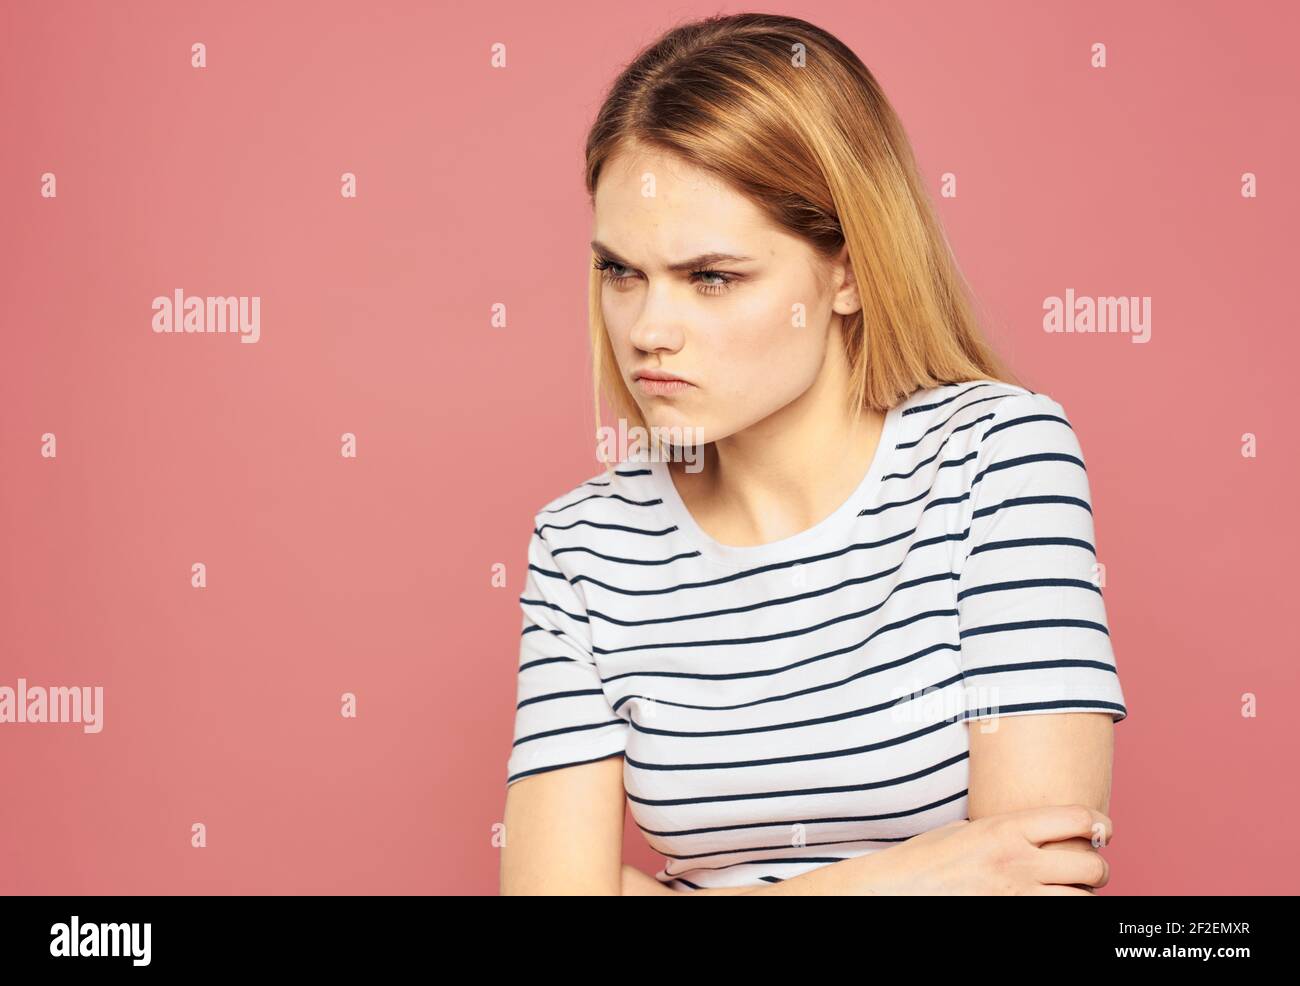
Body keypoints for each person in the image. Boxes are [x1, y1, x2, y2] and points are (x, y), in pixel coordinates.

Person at [500, 12, 1128, 895]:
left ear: (849, 271)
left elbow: (1041, 882)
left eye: (712, 277)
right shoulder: (585, 546)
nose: (648, 329)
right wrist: (901, 881)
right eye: (620, 272)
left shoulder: (997, 457)